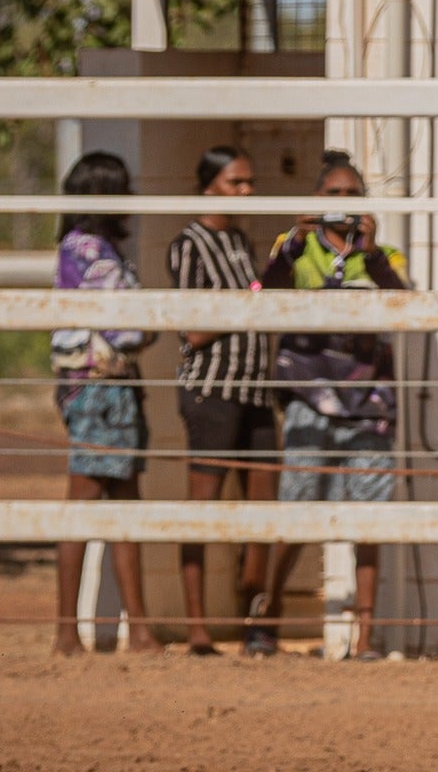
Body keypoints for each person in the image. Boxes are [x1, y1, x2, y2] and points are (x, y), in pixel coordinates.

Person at [255, 152, 407, 659]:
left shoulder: (384, 254)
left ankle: (364, 638)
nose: (341, 207)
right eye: (332, 197)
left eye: (351, 197)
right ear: (314, 203)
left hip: (369, 401)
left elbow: (404, 303)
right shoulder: (294, 249)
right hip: (308, 398)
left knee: (369, 519)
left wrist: (372, 252)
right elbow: (264, 291)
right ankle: (266, 618)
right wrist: (296, 239)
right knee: (295, 511)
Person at [167, 146, 279, 655]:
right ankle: (197, 628)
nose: (246, 192)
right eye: (236, 183)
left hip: (256, 389)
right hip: (212, 390)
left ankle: (255, 623)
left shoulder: (238, 238)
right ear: (209, 185)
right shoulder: (189, 244)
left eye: (249, 183)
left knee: (264, 511)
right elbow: (193, 329)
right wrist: (249, 303)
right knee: (202, 509)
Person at [49, 151, 158, 655]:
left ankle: (134, 629)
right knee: (88, 501)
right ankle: (70, 632)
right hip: (100, 385)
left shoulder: (87, 248)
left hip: (103, 385)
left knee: (121, 504)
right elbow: (125, 326)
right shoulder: (91, 250)